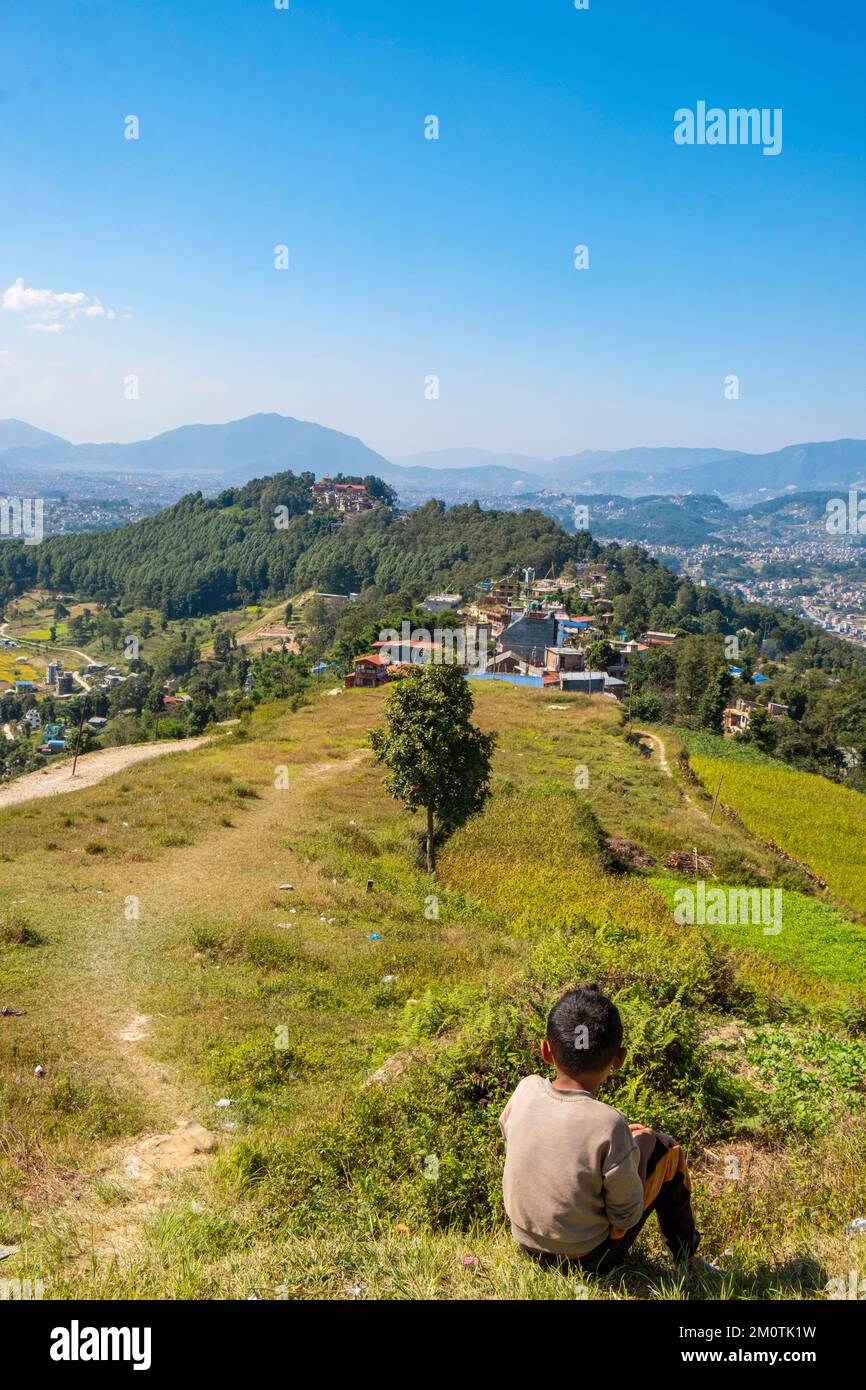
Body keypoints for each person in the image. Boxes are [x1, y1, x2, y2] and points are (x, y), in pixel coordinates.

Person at [499, 983, 716, 1275]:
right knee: (668, 1150)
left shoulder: (525, 1091)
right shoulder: (609, 1123)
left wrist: (624, 1146)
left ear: (546, 1051)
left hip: (526, 1244)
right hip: (588, 1259)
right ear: (619, 1058)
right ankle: (687, 1259)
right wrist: (641, 1147)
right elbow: (625, 1216)